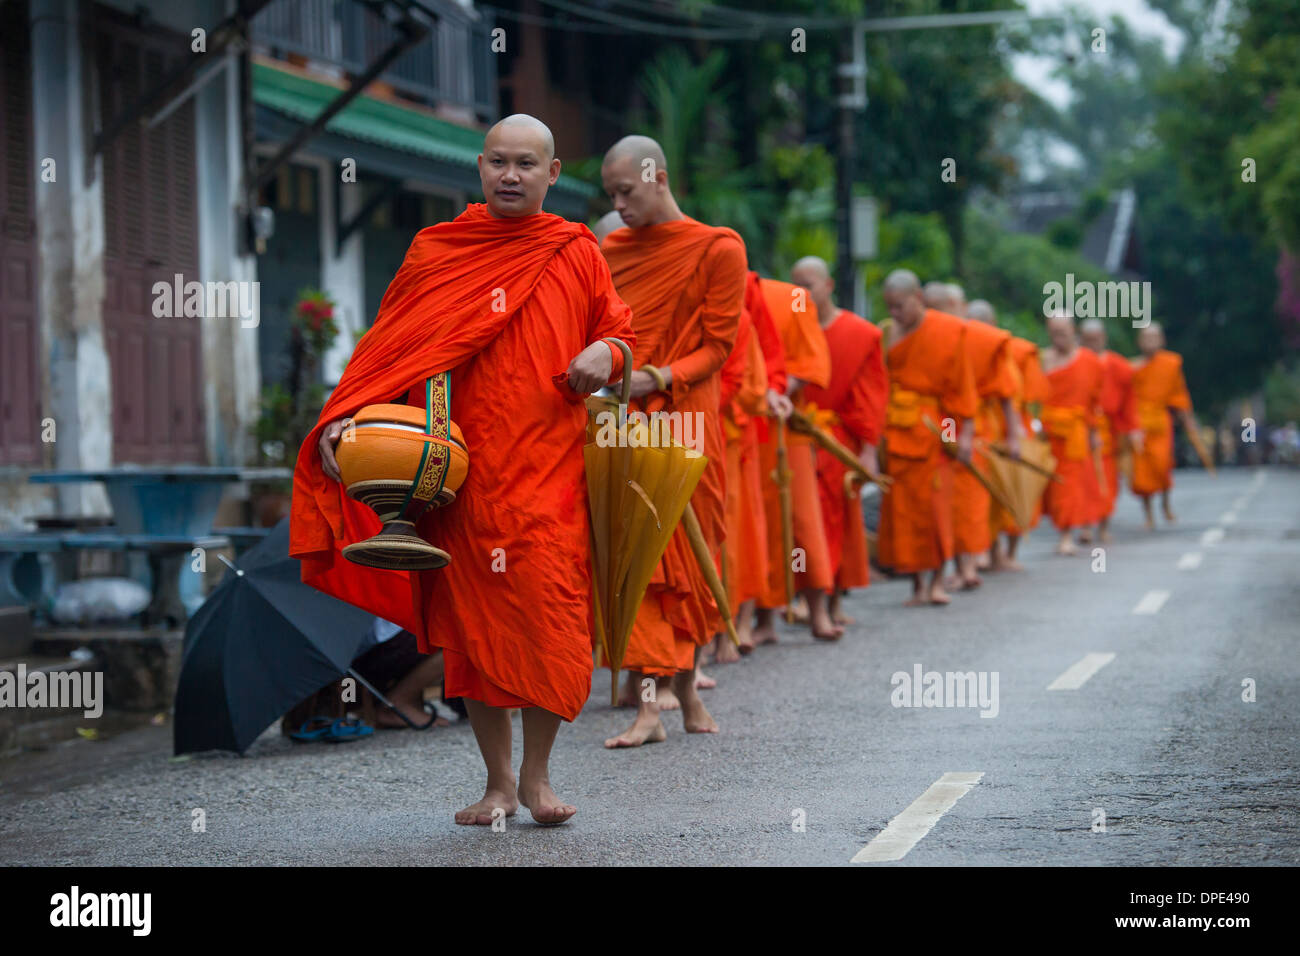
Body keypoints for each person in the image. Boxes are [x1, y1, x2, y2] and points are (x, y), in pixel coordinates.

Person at [292, 114, 635, 826]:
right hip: (460, 474)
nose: (511, 176)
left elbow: (619, 331)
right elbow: (390, 349)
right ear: (480, 168)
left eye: (526, 165)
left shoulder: (575, 250)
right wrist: (349, 414)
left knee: (552, 622)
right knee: (475, 634)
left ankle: (538, 782)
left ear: (553, 173)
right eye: (499, 163)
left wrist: (609, 355)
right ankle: (497, 784)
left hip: (550, 473)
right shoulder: (439, 249)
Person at [599, 134, 746, 748]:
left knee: (691, 550)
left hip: (685, 415)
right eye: (610, 195)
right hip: (623, 420)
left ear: (656, 176)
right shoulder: (611, 249)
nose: (619, 205)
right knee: (640, 553)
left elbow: (719, 347)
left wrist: (657, 377)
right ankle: (650, 706)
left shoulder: (718, 248)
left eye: (625, 191)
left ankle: (684, 690)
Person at [789, 255, 887, 626]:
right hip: (796, 439)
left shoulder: (861, 334)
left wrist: (869, 452)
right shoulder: (790, 327)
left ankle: (829, 602)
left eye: (809, 284)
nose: (802, 293)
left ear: (828, 285)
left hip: (837, 443)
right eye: (795, 285)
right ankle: (803, 598)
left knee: (836, 522)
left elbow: (870, 398)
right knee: (798, 524)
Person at [878, 269, 977, 606]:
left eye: (900, 306)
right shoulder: (887, 334)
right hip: (897, 433)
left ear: (918, 298)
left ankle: (935, 583)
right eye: (890, 307)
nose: (895, 314)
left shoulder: (948, 331)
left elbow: (962, 391)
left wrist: (959, 438)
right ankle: (917, 585)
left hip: (934, 432)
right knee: (905, 513)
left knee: (935, 511)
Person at [751, 274, 840, 641]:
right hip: (743, 428)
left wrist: (773, 391)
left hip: (785, 426)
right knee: (757, 525)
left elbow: (808, 362)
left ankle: (818, 611)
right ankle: (764, 621)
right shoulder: (714, 293)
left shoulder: (793, 299)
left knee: (802, 521)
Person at [949, 301, 1020, 588]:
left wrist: (1014, 438)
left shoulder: (994, 351)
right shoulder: (956, 344)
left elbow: (1007, 400)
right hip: (960, 427)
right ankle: (971, 560)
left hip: (981, 432)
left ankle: (976, 560)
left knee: (976, 501)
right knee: (965, 502)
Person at [1040, 313, 1104, 555]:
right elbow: (1037, 395)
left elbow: (1094, 400)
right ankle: (1069, 528)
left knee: (1072, 484)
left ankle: (1067, 534)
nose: (1059, 338)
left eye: (1063, 332)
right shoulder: (1044, 359)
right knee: (1055, 487)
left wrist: (1094, 430)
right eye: (1054, 333)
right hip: (1050, 432)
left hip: (1076, 431)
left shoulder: (1089, 361)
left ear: (1072, 330)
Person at [1129, 323, 1195, 528]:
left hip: (1160, 424)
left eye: (1154, 337)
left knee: (1162, 465)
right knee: (1141, 473)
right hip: (1138, 425)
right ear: (1139, 342)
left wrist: (1187, 419)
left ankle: (1166, 503)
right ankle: (1148, 516)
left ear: (1162, 340)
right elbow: (1125, 398)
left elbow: (1179, 394)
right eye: (1146, 338)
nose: (1150, 342)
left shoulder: (1171, 363)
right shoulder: (1132, 367)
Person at [1080, 318, 1141, 542]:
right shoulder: (1076, 362)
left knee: (1107, 479)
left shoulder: (1118, 366)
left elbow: (1129, 402)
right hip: (1081, 428)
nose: (1093, 344)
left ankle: (1103, 526)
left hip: (1108, 430)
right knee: (1084, 479)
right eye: (1088, 340)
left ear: (1104, 338)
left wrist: (1133, 428)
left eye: (1096, 339)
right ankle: (1086, 526)